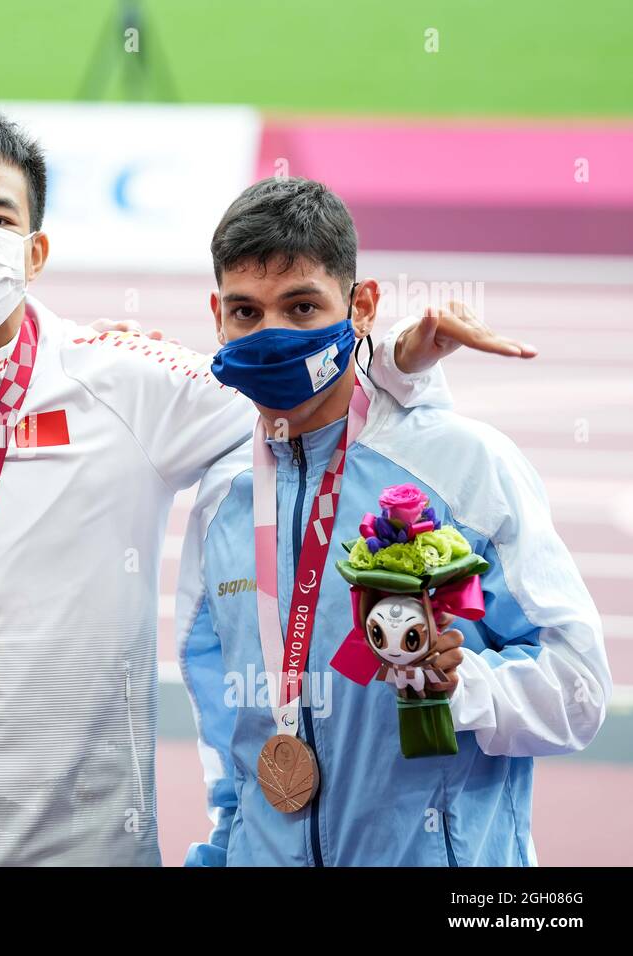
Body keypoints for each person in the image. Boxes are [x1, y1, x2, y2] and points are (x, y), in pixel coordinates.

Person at [0, 106, 530, 866]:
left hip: (88, 850)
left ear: (36, 250)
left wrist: (394, 362)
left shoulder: (131, 383)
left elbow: (300, 393)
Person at [175, 176, 611, 866]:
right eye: (246, 313)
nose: (271, 336)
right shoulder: (223, 498)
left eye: (301, 306)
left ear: (363, 305)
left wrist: (463, 686)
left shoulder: (464, 467)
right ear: (217, 316)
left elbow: (580, 692)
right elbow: (230, 728)